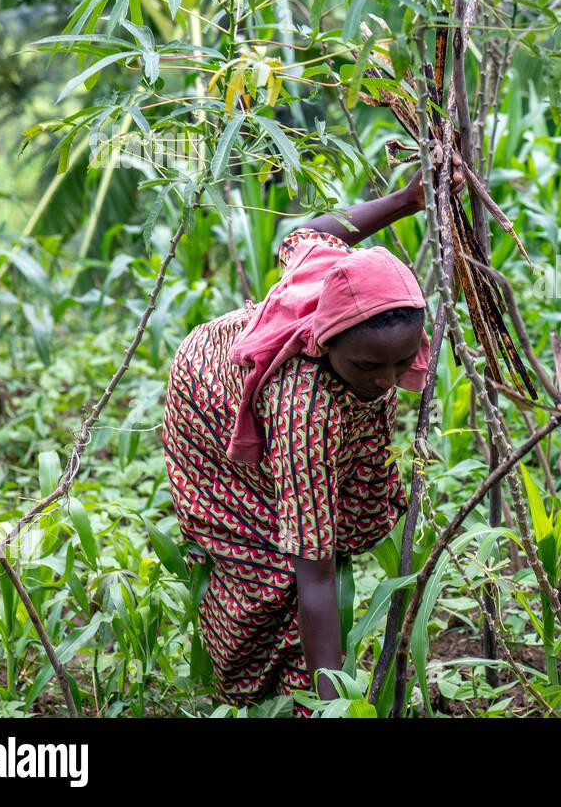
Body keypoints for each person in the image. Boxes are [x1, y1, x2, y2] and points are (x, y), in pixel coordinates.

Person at [161, 164, 458, 713]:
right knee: (270, 562)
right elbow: (315, 574)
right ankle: (262, 690)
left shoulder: (342, 281)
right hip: (209, 395)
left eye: (402, 362)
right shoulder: (305, 411)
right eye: (371, 366)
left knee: (336, 519)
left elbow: (307, 232)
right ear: (325, 340)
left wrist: (407, 199)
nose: (389, 381)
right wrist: (336, 705)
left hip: (280, 379)